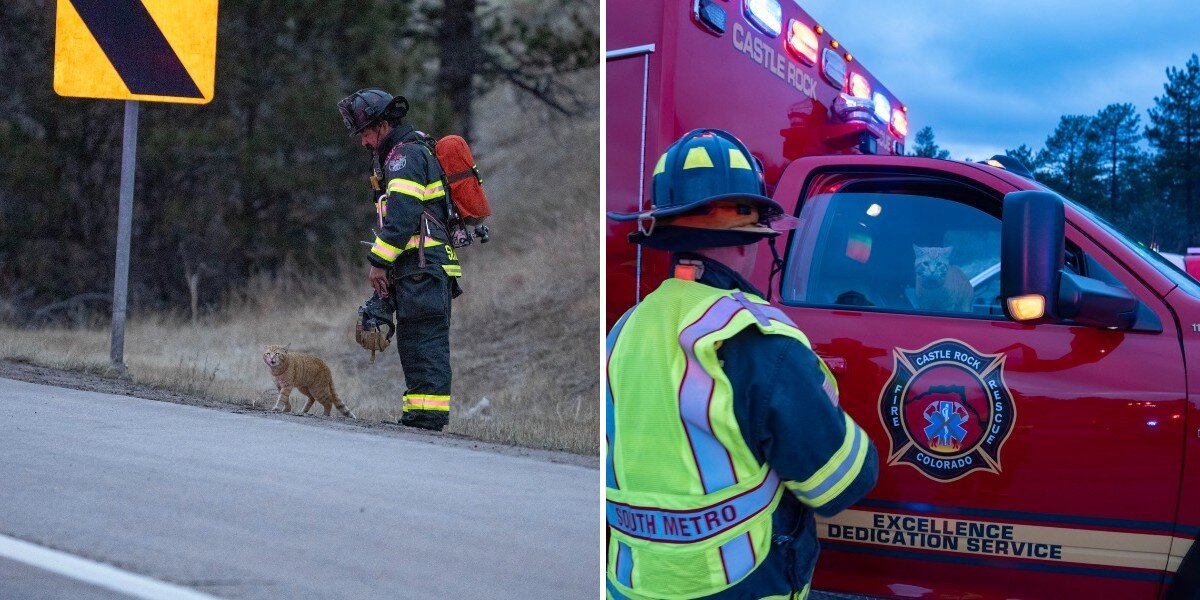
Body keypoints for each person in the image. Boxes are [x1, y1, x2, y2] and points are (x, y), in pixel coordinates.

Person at [604, 129, 878, 600]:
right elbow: (840, 483)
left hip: (635, 581)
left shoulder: (626, 327)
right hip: (739, 581)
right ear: (748, 238)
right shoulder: (753, 336)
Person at [338, 88, 461, 432]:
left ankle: (427, 418)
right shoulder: (404, 154)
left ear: (382, 125)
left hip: (422, 265)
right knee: (417, 340)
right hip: (419, 266)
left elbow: (403, 217)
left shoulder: (403, 157)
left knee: (423, 340)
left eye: (364, 132)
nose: (363, 142)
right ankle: (421, 416)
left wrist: (378, 261)